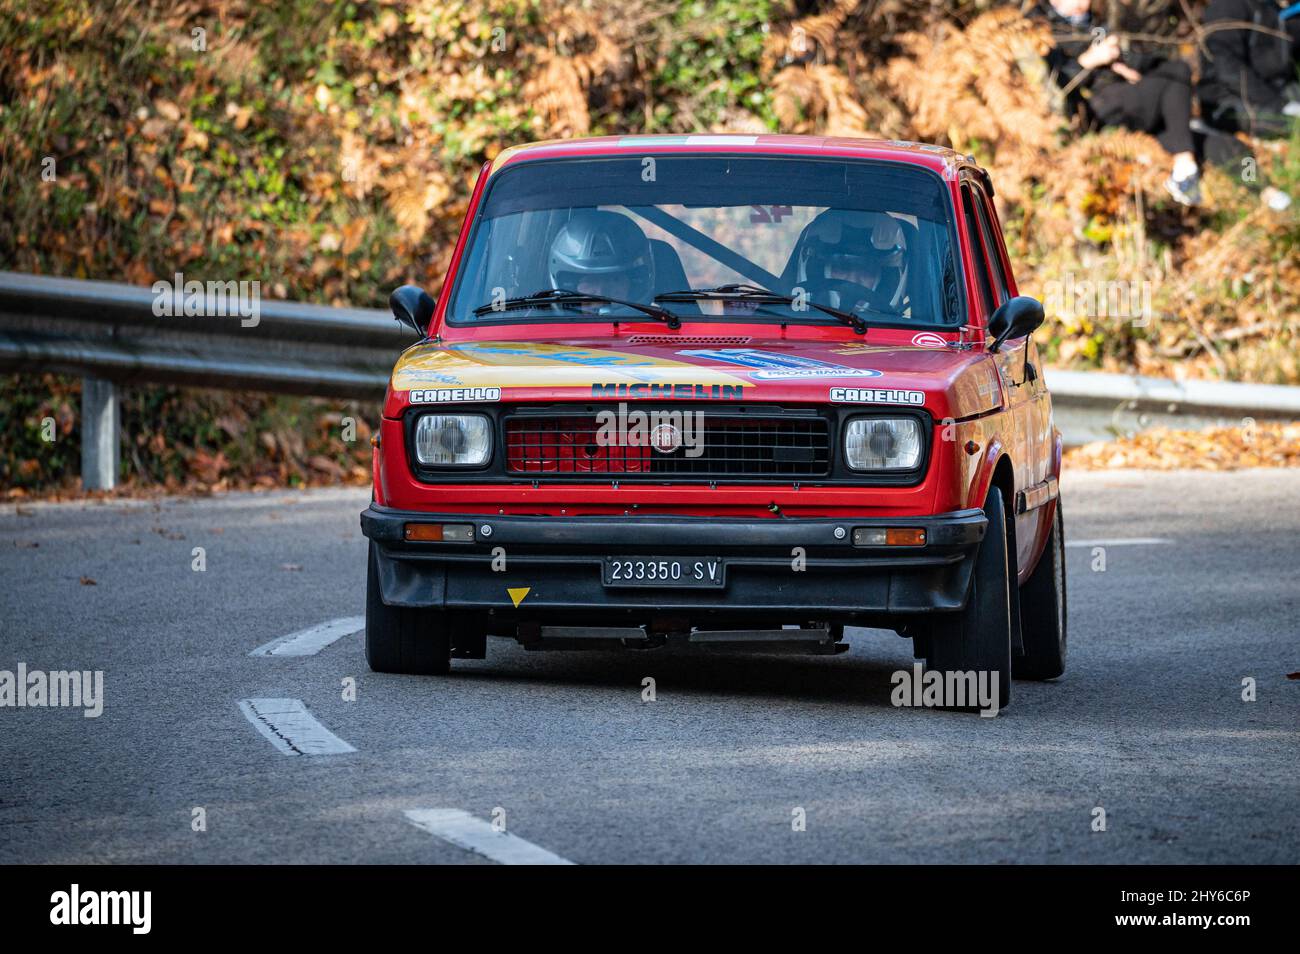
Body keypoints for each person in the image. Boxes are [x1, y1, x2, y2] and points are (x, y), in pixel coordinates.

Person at [1037, 0, 1203, 206]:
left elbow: (1141, 60)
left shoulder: (1099, 20)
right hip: (1097, 106)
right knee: (1178, 72)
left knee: (1197, 134)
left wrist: (1122, 57)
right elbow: (1055, 84)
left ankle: (1183, 171)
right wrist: (1089, 61)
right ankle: (1184, 166)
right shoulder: (1046, 30)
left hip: (1128, 93)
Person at [1198, 0, 1300, 139]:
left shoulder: (1273, 8)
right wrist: (1279, 105)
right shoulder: (1226, 6)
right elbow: (1228, 69)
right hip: (1227, 100)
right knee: (1290, 124)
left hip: (1276, 88)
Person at [793, 210, 907, 315]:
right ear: (818, 269)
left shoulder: (912, 334)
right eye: (842, 267)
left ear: (887, 278)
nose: (853, 281)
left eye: (866, 269)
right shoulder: (788, 323)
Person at [547, 210, 656, 305]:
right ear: (569, 286)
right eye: (591, 281)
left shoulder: (661, 323)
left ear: (635, 284)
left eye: (614, 280)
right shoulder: (543, 324)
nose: (602, 293)